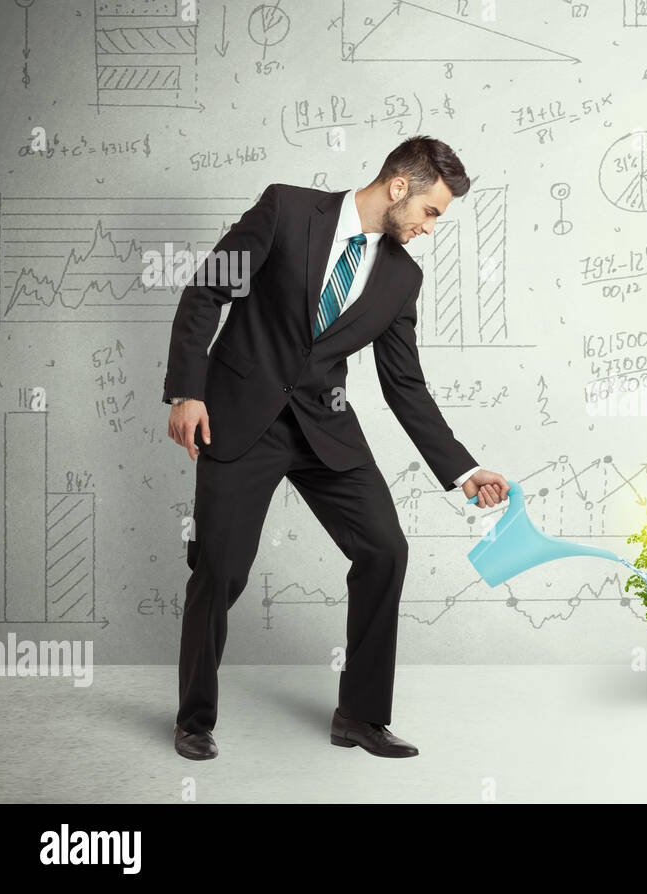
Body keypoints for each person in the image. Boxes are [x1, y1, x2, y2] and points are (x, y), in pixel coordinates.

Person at [162, 135, 509, 760]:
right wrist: (188, 391)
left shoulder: (402, 277)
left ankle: (362, 717)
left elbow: (405, 385)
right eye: (431, 212)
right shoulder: (287, 210)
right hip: (241, 419)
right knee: (220, 568)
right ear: (400, 187)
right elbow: (205, 292)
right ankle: (194, 719)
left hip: (325, 428)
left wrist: (462, 468)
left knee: (384, 549)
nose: (431, 228)